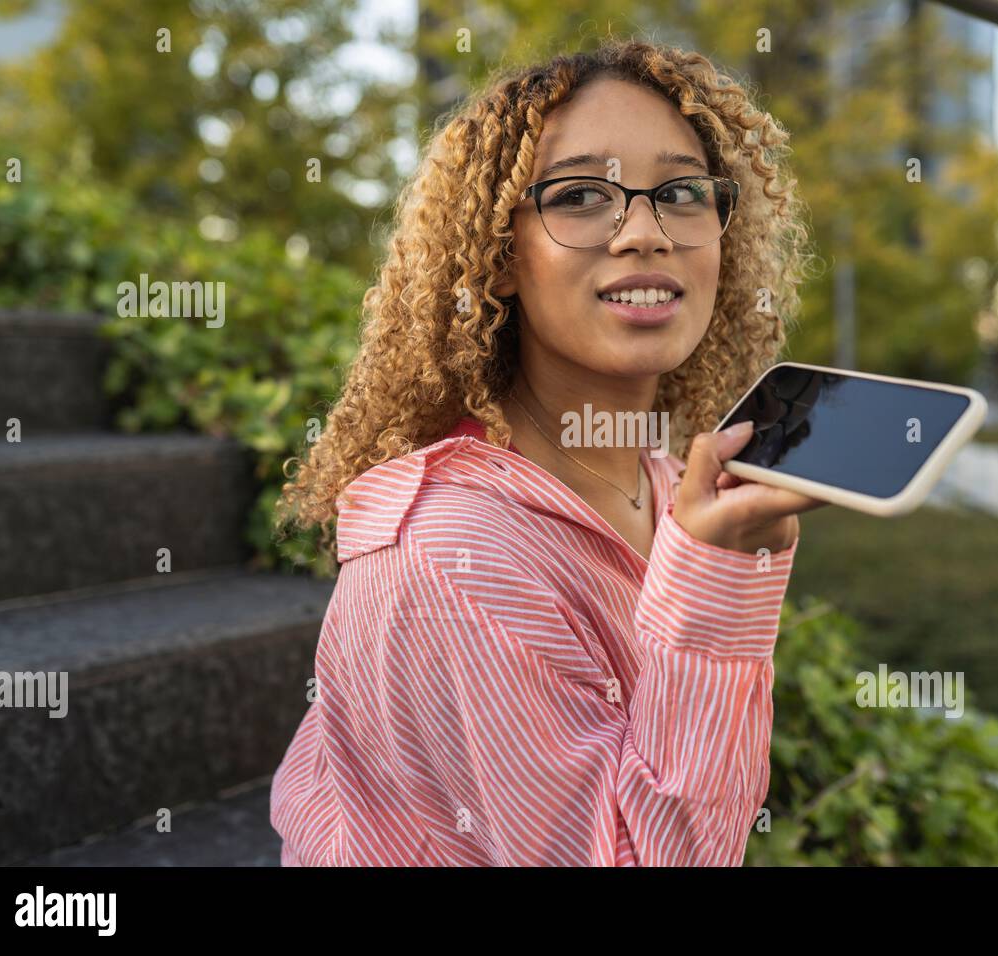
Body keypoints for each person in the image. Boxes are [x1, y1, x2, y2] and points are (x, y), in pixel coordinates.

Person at [269, 35, 824, 866]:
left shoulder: (672, 488)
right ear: (498, 258)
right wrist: (711, 591)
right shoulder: (450, 561)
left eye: (679, 191)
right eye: (579, 197)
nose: (644, 230)